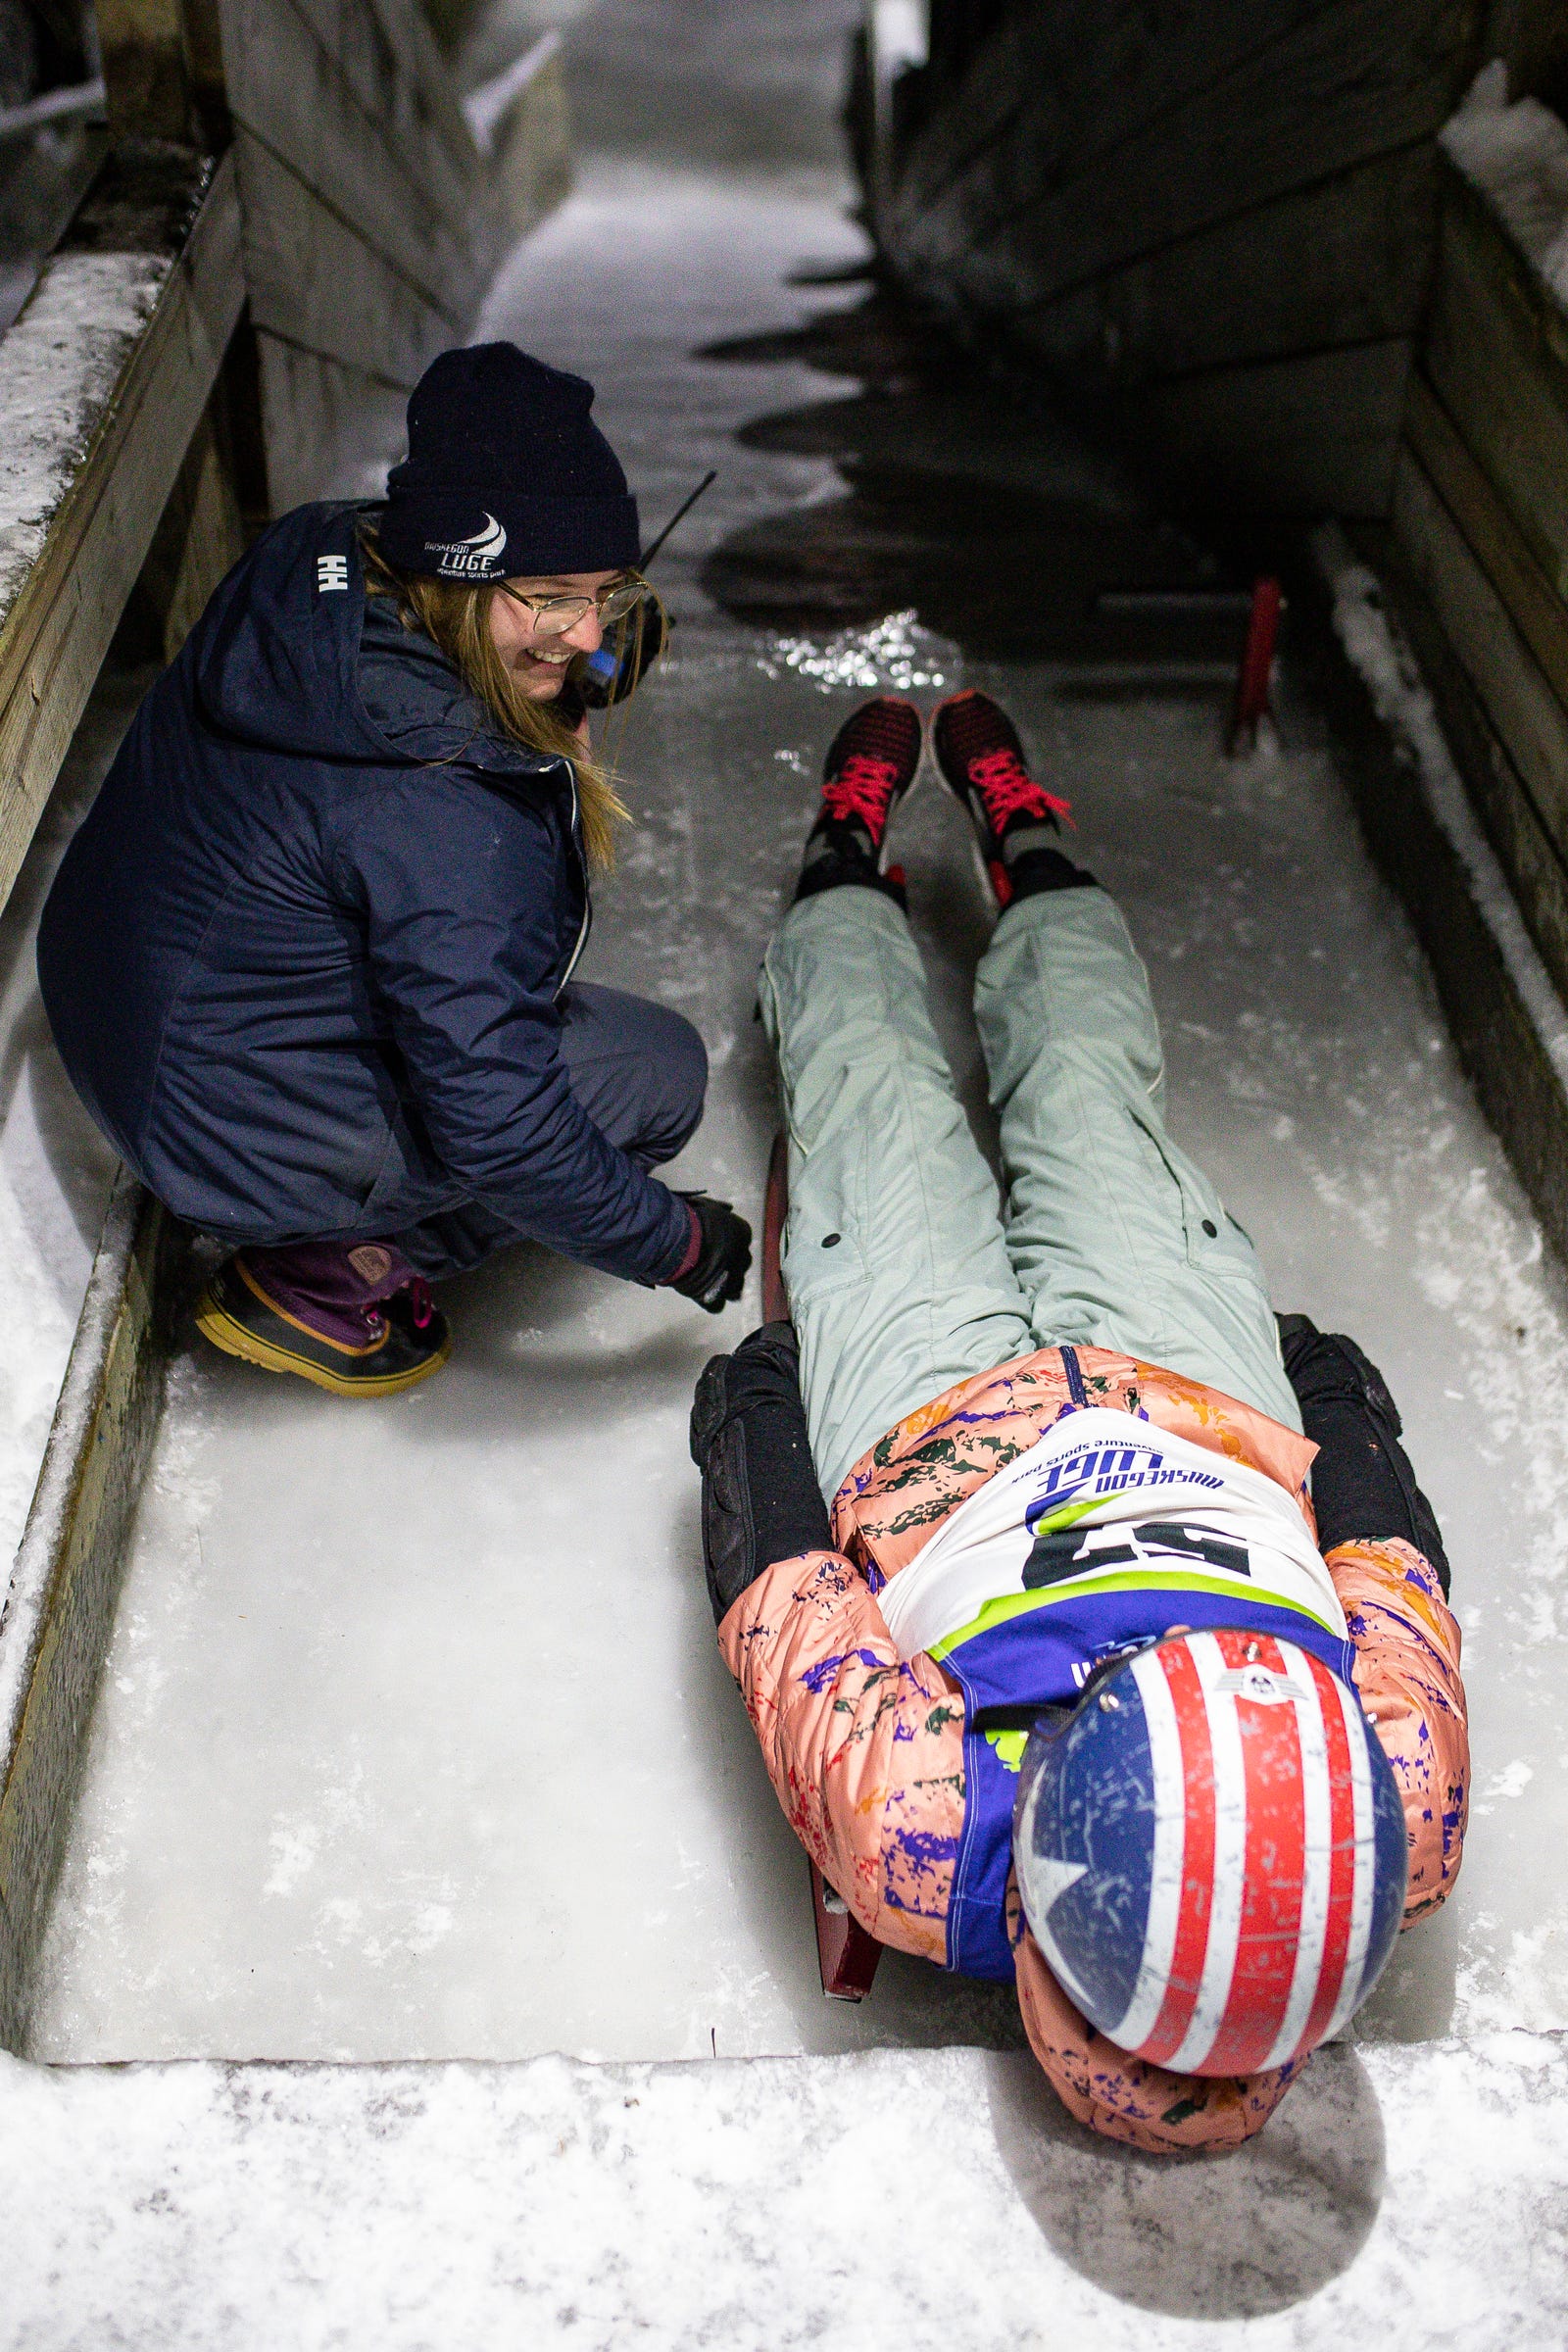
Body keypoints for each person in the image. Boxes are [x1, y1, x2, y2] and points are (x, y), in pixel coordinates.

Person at [691, 690, 1468, 2154]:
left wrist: (759, 1421)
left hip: (931, 1444)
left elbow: (786, 1601)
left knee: (874, 1108)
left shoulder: (927, 1831)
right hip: (1203, 1407)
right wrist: (1330, 1399)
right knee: (1099, 1102)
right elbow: (1387, 1568)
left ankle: (843, 876)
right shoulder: (1396, 1804)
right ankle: (1032, 848)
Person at [36, 343, 751, 1396]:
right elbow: (500, 1123)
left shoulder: (314, 560)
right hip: (226, 1123)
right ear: (459, 574)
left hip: (133, 1016)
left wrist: (572, 666)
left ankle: (309, 1208)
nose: (590, 630)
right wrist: (673, 1243)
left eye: (607, 591)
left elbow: (515, 657)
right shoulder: (444, 805)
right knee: (655, 1073)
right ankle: (324, 1273)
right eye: (551, 597)